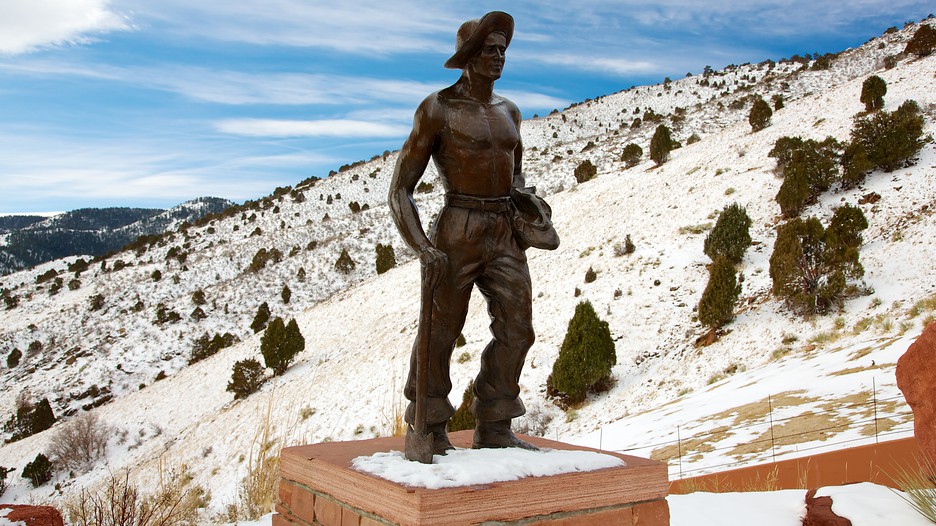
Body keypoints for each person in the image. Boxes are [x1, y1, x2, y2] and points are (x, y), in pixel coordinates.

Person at [389, 11, 556, 455]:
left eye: (503, 49)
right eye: (489, 49)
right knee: (442, 329)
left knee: (518, 328)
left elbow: (514, 173)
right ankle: (428, 426)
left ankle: (495, 422)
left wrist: (526, 204)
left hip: (503, 229)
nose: (499, 56)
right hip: (457, 227)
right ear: (468, 56)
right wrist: (422, 247)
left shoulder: (510, 112)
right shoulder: (437, 108)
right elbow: (401, 189)